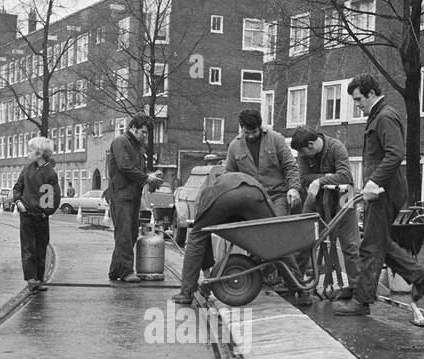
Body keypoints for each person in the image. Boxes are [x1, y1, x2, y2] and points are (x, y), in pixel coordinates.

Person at [334, 74, 424, 319]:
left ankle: (362, 300)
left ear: (371, 93)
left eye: (359, 99)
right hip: (381, 190)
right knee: (379, 242)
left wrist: (373, 182)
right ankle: (420, 276)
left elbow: (395, 154)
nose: (357, 104)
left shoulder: (385, 116)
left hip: (384, 191)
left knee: (370, 245)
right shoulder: (378, 116)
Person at [225, 109, 303, 297]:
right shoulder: (234, 147)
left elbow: (290, 166)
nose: (251, 135)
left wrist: (293, 188)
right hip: (252, 201)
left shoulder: (276, 139)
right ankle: (264, 278)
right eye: (247, 132)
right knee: (256, 241)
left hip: (277, 196)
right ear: (241, 128)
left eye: (254, 131)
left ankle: (297, 285)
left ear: (260, 127)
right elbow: (229, 175)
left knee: (277, 239)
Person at [171, 171, 279, 304]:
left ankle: (186, 292)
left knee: (197, 236)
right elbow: (274, 231)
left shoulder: (207, 195)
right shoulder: (241, 181)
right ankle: (298, 288)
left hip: (223, 198)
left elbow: (203, 243)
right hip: (253, 193)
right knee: (276, 234)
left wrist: (207, 276)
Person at [291, 125, 358, 300]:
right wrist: (326, 177)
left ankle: (357, 290)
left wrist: (321, 179)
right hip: (317, 198)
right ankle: (296, 284)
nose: (302, 156)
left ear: (311, 144)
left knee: (350, 244)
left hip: (344, 196)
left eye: (304, 152)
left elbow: (345, 176)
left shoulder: (337, 147)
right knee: (303, 238)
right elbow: (304, 178)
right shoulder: (303, 151)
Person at [106, 114, 162, 283]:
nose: (145, 136)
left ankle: (116, 270)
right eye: (143, 132)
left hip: (132, 195)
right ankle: (126, 271)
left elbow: (135, 170)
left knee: (129, 233)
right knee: (124, 234)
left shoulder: (137, 146)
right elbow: (125, 167)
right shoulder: (120, 142)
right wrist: (147, 179)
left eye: (146, 133)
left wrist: (150, 175)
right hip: (121, 195)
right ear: (133, 128)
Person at [13, 136, 61, 291]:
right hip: (26, 215)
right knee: (28, 248)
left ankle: (39, 278)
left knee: (41, 248)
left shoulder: (49, 173)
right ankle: (31, 279)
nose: (27, 153)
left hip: (40, 217)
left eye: (30, 150)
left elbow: (53, 196)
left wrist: (46, 212)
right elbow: (18, 187)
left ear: (39, 154)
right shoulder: (27, 169)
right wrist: (19, 202)